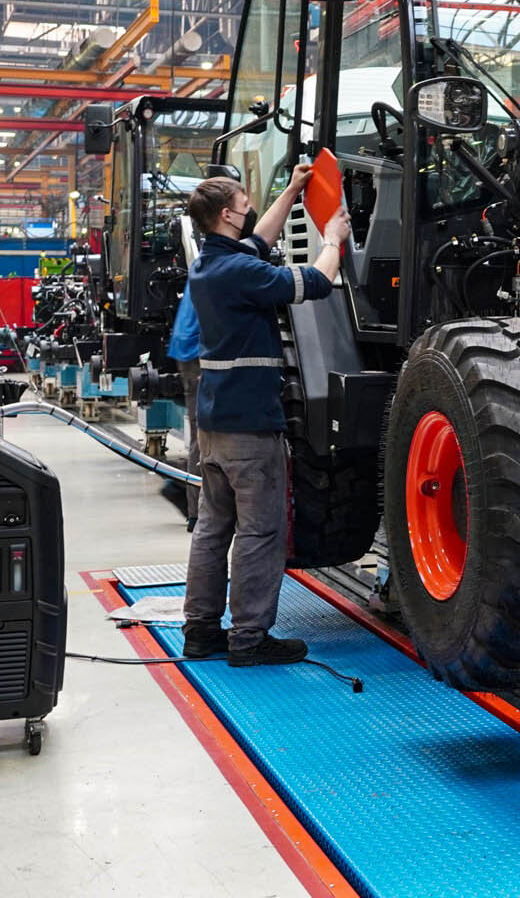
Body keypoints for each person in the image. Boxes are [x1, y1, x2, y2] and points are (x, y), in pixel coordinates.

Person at [182, 169, 351, 667]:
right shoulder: (241, 274)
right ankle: (250, 638)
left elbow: (259, 239)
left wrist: (296, 190)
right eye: (243, 201)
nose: (250, 207)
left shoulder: (211, 264)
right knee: (260, 531)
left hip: (213, 426)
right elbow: (317, 283)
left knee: (213, 528)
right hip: (250, 426)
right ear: (226, 214)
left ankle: (201, 631)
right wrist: (335, 240)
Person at [164, 287, 202, 531]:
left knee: (201, 433)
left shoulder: (207, 261)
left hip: (187, 346)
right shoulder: (223, 261)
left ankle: (197, 511)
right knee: (205, 434)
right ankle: (197, 513)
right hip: (196, 351)